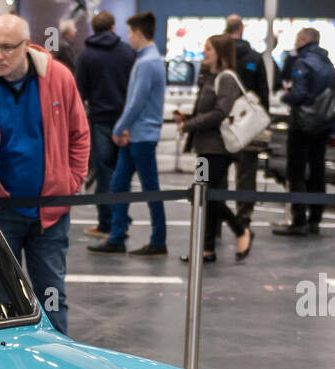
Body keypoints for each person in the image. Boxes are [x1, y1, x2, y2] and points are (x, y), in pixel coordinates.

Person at [0, 14, 90, 334]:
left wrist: (72, 181)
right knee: (1, 300)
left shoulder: (59, 78)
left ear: (26, 46)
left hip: (49, 211)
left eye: (8, 47)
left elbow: (79, 135)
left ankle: (58, 366)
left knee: (52, 295)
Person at [87, 11, 165, 256]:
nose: (128, 36)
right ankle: (117, 236)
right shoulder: (146, 59)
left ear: (139, 33)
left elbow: (136, 103)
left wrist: (119, 128)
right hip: (135, 135)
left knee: (151, 190)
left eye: (130, 32)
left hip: (142, 137)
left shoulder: (147, 62)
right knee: (119, 184)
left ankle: (158, 240)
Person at [174, 34, 252, 262]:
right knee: (204, 196)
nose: (204, 52)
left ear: (220, 52)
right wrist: (188, 118)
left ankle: (240, 229)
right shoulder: (209, 77)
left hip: (218, 149)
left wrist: (188, 125)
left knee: (209, 195)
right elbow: (206, 111)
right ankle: (206, 248)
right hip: (205, 147)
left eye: (208, 49)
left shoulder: (227, 78)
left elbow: (220, 113)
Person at [274, 28, 335, 236]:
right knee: (317, 171)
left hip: (302, 124)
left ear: (303, 40)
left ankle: (299, 220)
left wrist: (284, 97)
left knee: (296, 171)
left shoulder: (302, 62)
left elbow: (299, 94)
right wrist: (326, 105)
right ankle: (316, 219)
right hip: (324, 126)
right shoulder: (328, 63)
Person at [74, 10, 135, 240]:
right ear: (112, 28)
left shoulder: (86, 55)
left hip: (99, 119)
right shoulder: (128, 52)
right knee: (123, 173)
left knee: (104, 173)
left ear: (93, 29)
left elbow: (79, 92)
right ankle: (122, 221)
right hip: (125, 120)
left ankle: (106, 224)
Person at [224, 14, 268, 231]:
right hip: (247, 126)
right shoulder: (255, 58)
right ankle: (244, 219)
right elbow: (264, 94)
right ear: (242, 28)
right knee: (247, 174)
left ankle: (212, 221)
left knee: (211, 176)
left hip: (219, 125)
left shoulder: (220, 57)